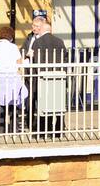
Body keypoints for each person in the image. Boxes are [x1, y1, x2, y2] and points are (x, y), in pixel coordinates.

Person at [22, 10, 68, 140]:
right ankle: (59, 130)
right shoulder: (60, 42)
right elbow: (65, 59)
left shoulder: (38, 42)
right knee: (58, 103)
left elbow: (35, 61)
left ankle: (43, 131)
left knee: (43, 105)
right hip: (58, 76)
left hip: (42, 76)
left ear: (43, 29)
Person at [0, 26, 27, 133]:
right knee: (14, 104)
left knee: (0, 104)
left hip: (1, 78)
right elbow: (19, 62)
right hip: (13, 77)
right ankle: (14, 128)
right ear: (11, 36)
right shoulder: (13, 47)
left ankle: (1, 128)